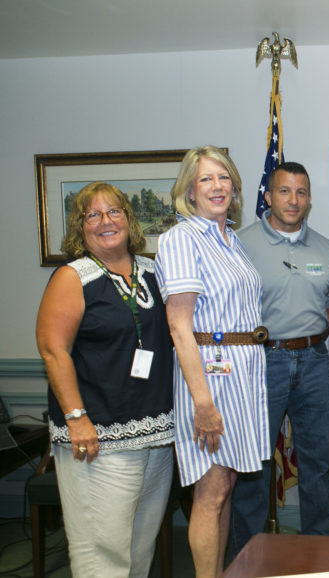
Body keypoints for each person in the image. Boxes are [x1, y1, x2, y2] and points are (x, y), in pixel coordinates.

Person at [36, 182, 175, 577]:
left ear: (129, 220)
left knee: (139, 546)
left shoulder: (151, 272)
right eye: (92, 215)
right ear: (80, 227)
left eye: (114, 212)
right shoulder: (72, 277)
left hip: (155, 432)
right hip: (97, 436)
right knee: (101, 551)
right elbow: (53, 350)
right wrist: (76, 417)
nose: (105, 221)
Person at [156, 146, 268, 577]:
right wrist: (202, 404)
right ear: (188, 189)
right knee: (211, 492)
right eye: (205, 179)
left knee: (226, 487)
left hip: (242, 374)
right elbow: (180, 327)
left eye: (223, 178)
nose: (217, 187)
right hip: (210, 378)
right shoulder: (181, 239)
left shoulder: (230, 239)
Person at [231, 162, 329, 552]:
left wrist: (307, 339)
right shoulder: (239, 245)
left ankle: (319, 550)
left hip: (314, 360)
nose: (293, 200)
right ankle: (248, 553)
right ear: (268, 196)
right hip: (262, 361)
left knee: (317, 462)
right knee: (255, 463)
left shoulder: (325, 249)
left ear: (309, 199)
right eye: (284, 191)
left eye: (300, 192)